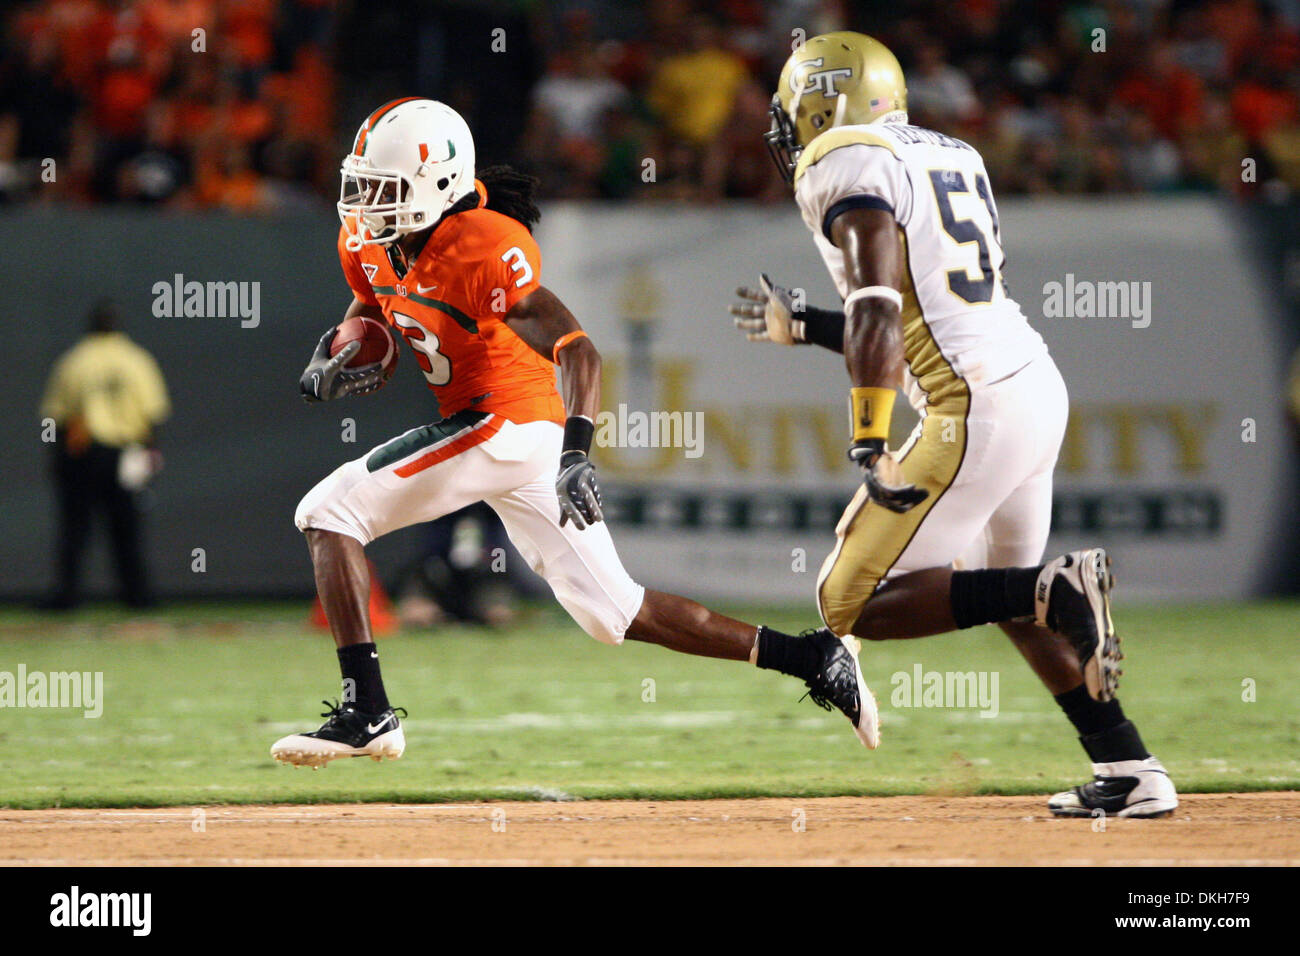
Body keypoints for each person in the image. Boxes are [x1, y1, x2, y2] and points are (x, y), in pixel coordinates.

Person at [270, 97, 875, 767]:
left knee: (328, 512)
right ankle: (815, 658)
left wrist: (577, 453)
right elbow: (374, 307)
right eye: (364, 184)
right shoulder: (369, 241)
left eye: (384, 188)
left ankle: (368, 712)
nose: (366, 203)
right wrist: (345, 349)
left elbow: (578, 351)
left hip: (508, 423)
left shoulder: (482, 245)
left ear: (435, 185)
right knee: (614, 612)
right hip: (498, 432)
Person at [729, 32, 1177, 818]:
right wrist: (804, 327)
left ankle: (1057, 588)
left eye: (796, 112)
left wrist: (870, 434)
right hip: (1032, 387)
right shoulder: (950, 152)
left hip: (971, 408)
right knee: (1004, 598)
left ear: (825, 102)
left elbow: (877, 306)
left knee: (848, 603)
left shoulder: (841, 161)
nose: (790, 132)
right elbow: (918, 316)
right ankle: (1130, 766)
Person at [39, 299, 169, 609]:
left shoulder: (74, 360)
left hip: (84, 454)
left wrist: (56, 457)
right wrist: (151, 450)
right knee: (127, 527)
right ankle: (137, 596)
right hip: (127, 452)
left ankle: (67, 596)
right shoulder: (137, 359)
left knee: (75, 528)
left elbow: (56, 416)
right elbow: (153, 413)